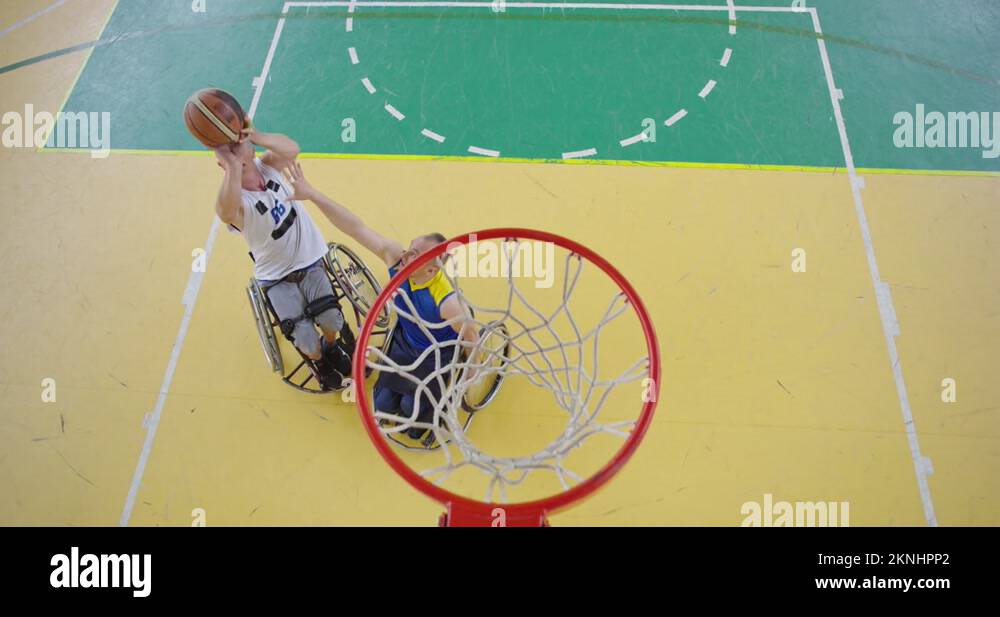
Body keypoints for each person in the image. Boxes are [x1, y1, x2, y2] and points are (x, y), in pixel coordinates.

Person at [279, 161, 479, 438]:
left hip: (436, 357)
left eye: (416, 255)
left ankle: (433, 403)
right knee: (383, 405)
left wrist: (465, 384)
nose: (407, 255)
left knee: (412, 422)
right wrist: (312, 193)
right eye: (411, 248)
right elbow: (355, 227)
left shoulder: (447, 302)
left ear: (433, 269)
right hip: (405, 345)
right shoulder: (397, 261)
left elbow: (473, 340)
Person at [213, 120, 351, 390]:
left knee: (332, 319)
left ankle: (332, 346)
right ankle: (319, 362)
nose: (235, 147)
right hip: (276, 278)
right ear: (224, 163)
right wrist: (230, 167)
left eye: (237, 142)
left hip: (309, 260)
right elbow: (225, 213)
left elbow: (292, 149)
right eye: (228, 149)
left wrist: (256, 135)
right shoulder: (237, 200)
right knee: (306, 340)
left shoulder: (269, 165)